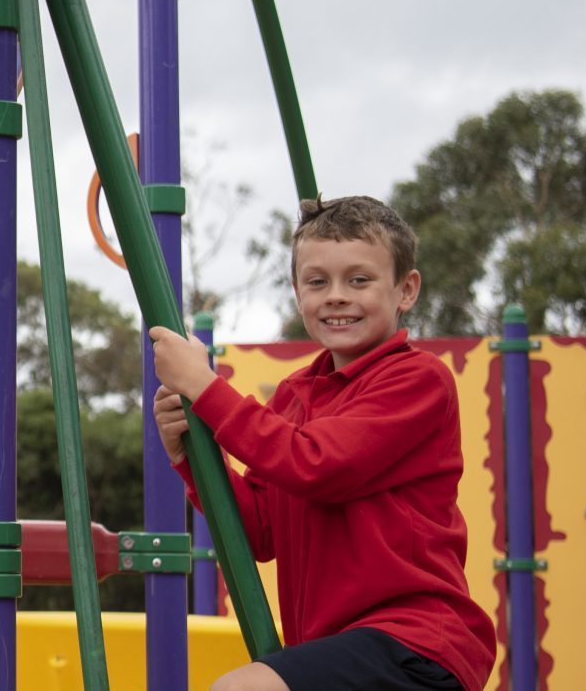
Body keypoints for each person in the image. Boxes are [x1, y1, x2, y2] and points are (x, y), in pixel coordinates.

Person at [148, 196, 496, 691]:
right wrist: (191, 458)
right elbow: (259, 532)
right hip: (333, 646)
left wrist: (207, 389)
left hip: (415, 641)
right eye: (317, 282)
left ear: (406, 290)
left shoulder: (417, 379)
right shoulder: (294, 397)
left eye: (359, 280)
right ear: (297, 293)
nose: (336, 296)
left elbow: (319, 465)